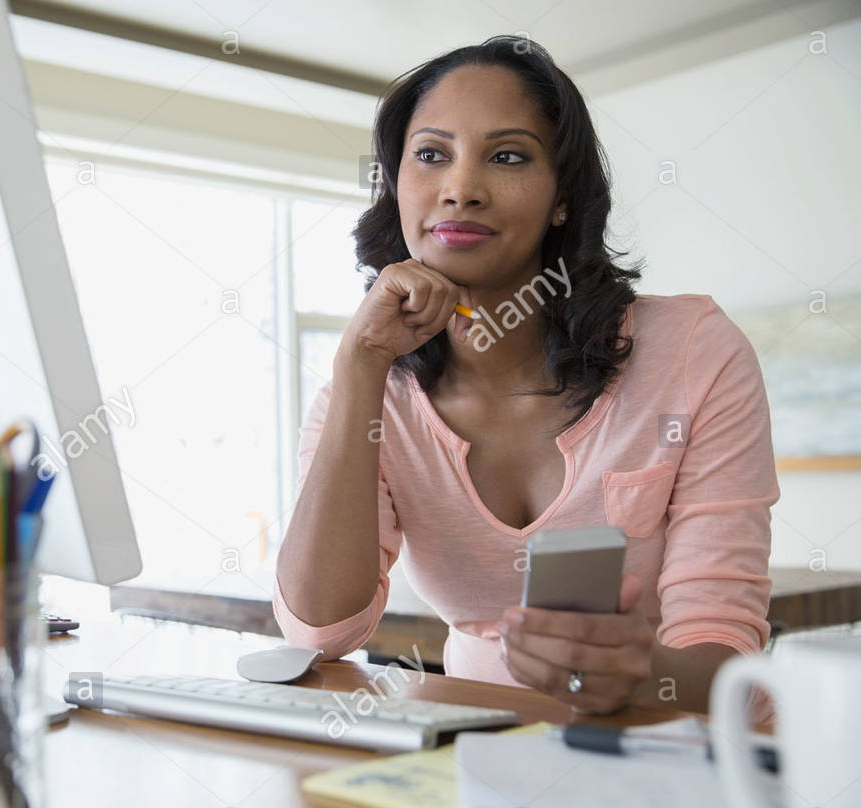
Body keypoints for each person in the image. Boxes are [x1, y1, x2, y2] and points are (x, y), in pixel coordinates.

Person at [273, 36, 779, 717]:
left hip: (674, 749)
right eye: (430, 155)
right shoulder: (367, 390)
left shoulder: (694, 352)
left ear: (563, 196)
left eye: (507, 156)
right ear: (396, 186)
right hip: (470, 744)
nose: (461, 188)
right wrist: (360, 366)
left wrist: (633, 673)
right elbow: (320, 630)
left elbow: (727, 663)